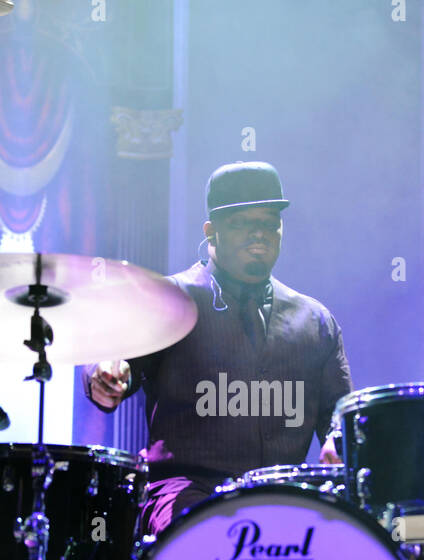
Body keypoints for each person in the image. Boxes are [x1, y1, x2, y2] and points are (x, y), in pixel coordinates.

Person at [83, 161, 352, 535]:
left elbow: (340, 414)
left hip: (282, 498)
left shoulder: (315, 320)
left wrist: (339, 439)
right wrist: (104, 374)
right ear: (212, 232)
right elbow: (114, 359)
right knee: (207, 540)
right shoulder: (170, 299)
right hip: (186, 492)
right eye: (243, 222)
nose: (260, 233)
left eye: (270, 222)